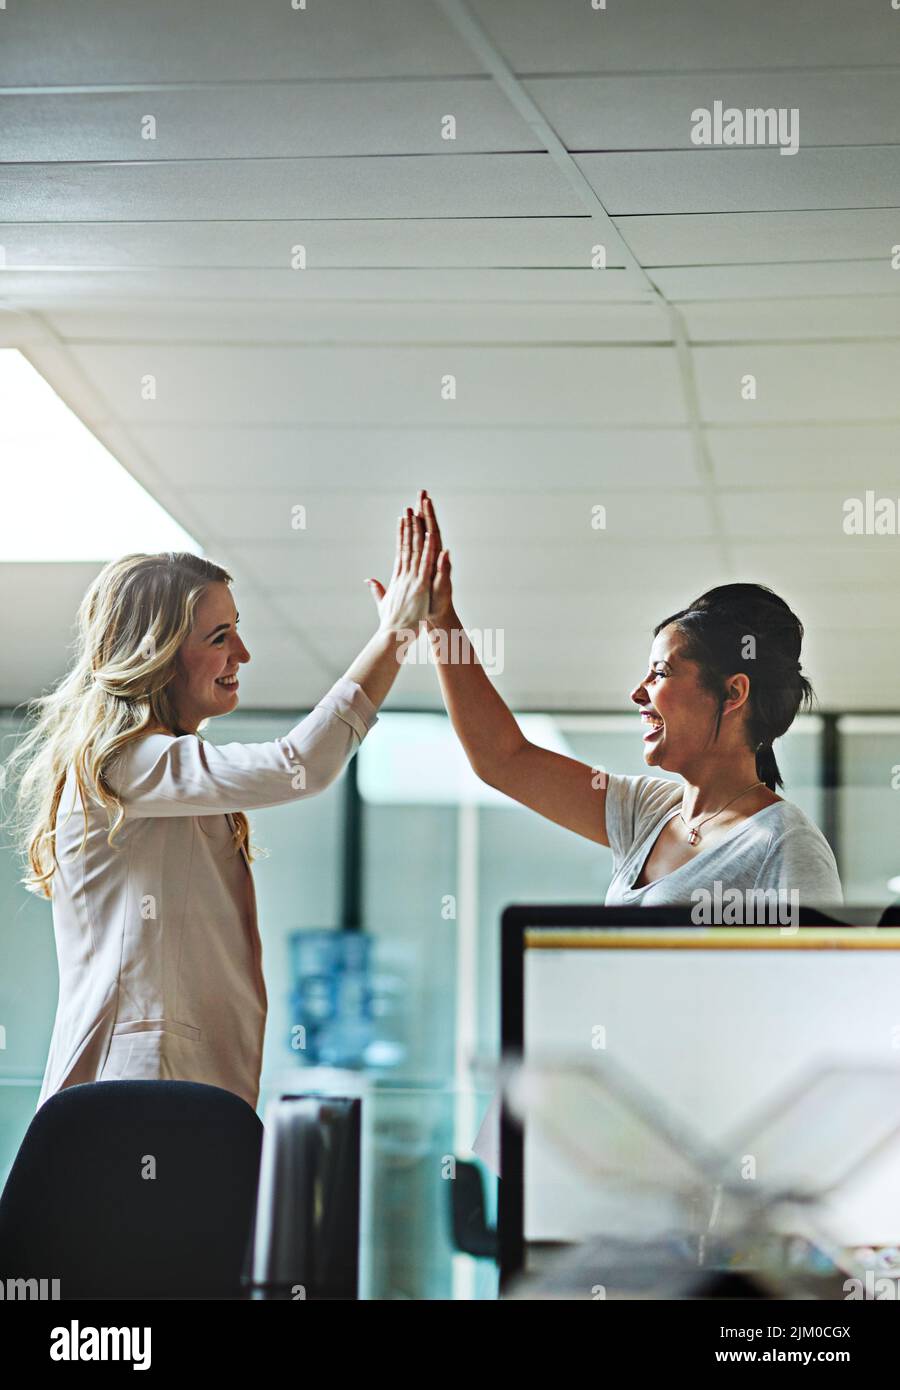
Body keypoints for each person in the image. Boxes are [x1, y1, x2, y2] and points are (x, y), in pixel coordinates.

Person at [404, 490, 843, 1172]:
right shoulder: (647, 810)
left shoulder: (783, 845)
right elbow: (503, 758)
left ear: (733, 693)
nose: (639, 692)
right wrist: (441, 622)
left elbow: (817, 1029)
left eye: (661, 673)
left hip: (670, 1166)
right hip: (578, 1137)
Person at [5, 510, 436, 1111]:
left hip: (177, 1096)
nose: (244, 653)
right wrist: (394, 635)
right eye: (219, 638)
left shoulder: (165, 774)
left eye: (237, 631)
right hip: (131, 1096)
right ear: (157, 655)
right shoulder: (128, 764)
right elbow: (301, 764)